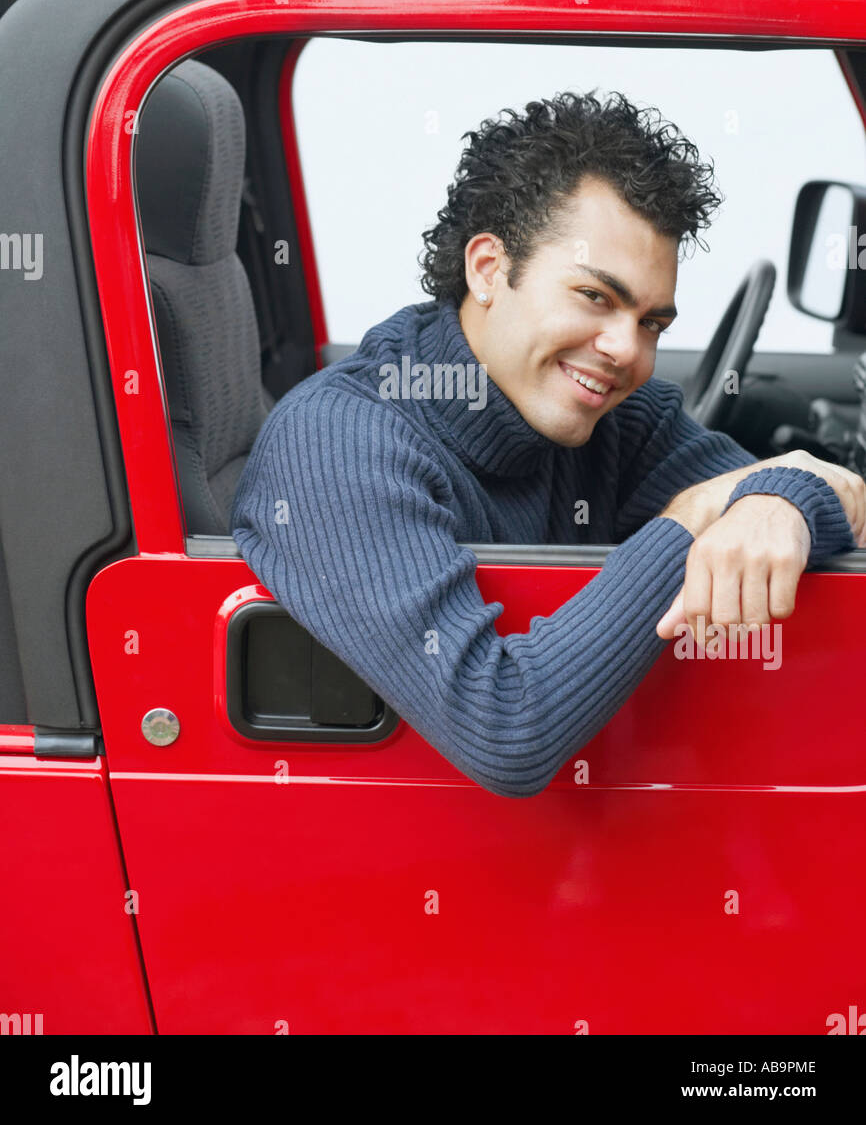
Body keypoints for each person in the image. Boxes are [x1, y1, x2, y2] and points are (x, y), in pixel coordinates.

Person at [230, 90, 864, 798]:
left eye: (651, 322)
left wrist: (786, 494)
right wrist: (689, 520)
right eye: (595, 297)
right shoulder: (339, 444)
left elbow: (774, 494)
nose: (627, 351)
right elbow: (506, 730)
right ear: (488, 269)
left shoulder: (621, 422)